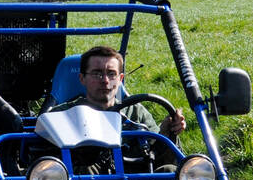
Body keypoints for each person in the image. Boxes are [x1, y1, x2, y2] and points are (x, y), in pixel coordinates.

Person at [47, 45, 186, 139]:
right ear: (82, 79)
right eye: (97, 74)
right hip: (84, 179)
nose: (105, 81)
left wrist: (168, 132)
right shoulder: (61, 115)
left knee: (169, 169)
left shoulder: (135, 113)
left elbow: (158, 157)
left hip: (133, 178)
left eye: (111, 74)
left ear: (120, 79)